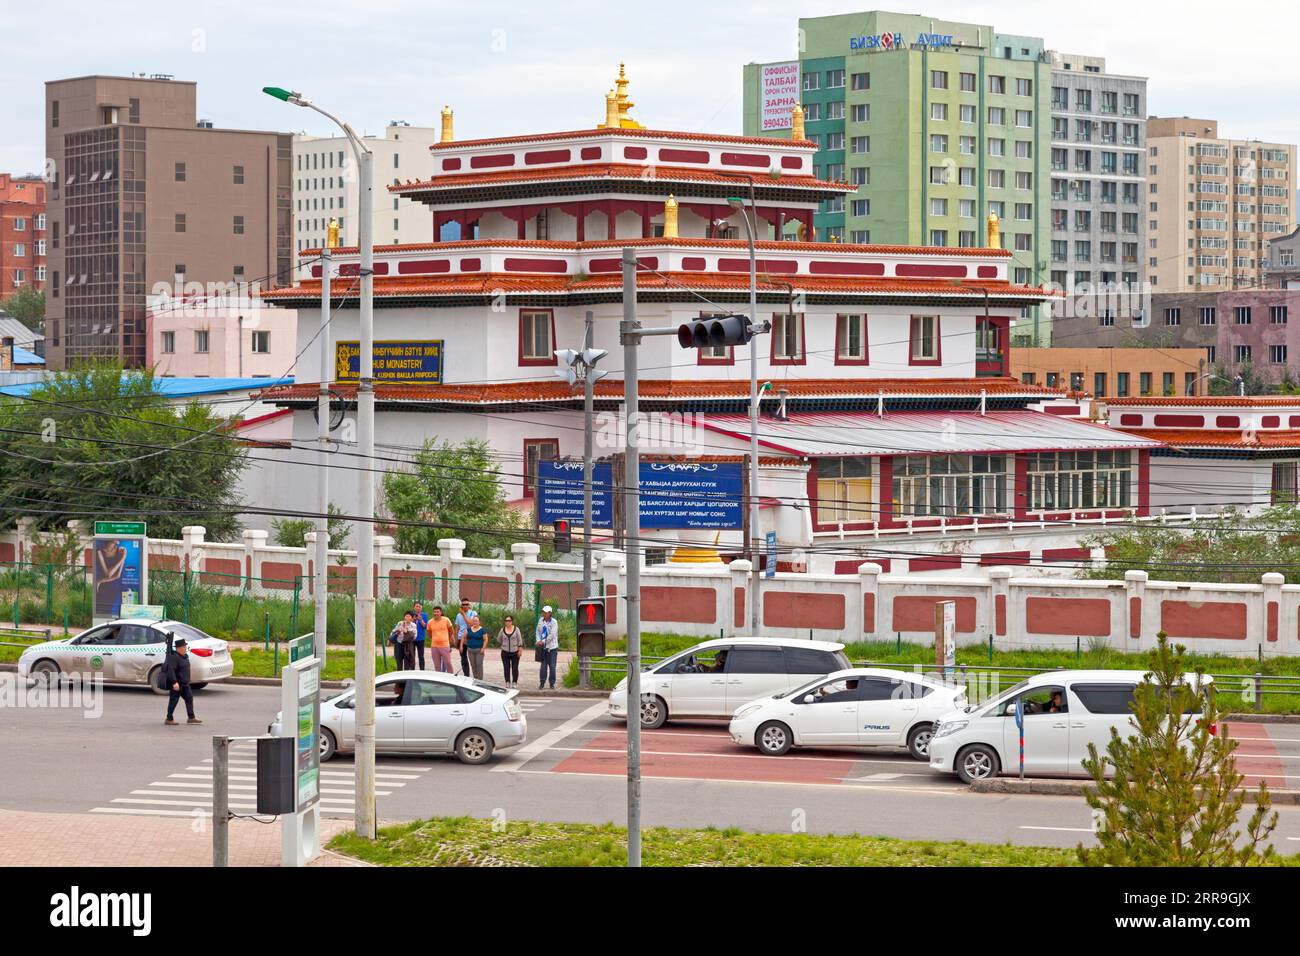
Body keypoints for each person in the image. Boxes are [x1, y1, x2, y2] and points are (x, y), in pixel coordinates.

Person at [163, 636, 201, 726]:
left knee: (189, 699)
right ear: (179, 648)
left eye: (185, 646)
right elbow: (171, 670)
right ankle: (169, 718)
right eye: (184, 647)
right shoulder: (174, 657)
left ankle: (191, 717)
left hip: (185, 684)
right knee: (173, 701)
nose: (185, 648)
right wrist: (174, 682)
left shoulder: (184, 657)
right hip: (177, 684)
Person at [535, 604, 560, 691]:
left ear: (550, 613)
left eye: (546, 613)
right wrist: (538, 640)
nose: (544, 614)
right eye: (543, 612)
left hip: (552, 648)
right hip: (542, 648)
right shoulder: (540, 621)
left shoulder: (554, 622)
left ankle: (552, 683)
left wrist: (544, 641)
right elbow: (537, 631)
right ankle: (542, 683)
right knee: (543, 666)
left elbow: (552, 635)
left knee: (552, 666)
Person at [425, 605, 455, 673]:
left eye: (437, 612)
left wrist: (447, 638)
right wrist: (435, 638)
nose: (436, 613)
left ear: (441, 612)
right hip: (434, 646)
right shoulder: (430, 622)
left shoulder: (446, 620)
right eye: (434, 612)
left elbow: (451, 630)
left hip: (444, 646)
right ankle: (439, 680)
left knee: (448, 663)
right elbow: (429, 632)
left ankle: (451, 678)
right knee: (437, 665)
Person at [497, 614, 523, 689]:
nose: (508, 622)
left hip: (515, 651)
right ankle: (507, 682)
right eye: (506, 621)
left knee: (515, 668)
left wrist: (520, 649)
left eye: (509, 621)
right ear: (505, 622)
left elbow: (519, 640)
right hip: (505, 652)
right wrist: (503, 644)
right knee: (506, 667)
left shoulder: (516, 629)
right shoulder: (502, 630)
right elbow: (499, 639)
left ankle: (514, 682)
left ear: (512, 621)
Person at [462, 612, 489, 680]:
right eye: (474, 621)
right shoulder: (469, 629)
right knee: (473, 665)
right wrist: (466, 644)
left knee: (479, 665)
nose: (475, 622)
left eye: (476, 621)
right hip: (470, 650)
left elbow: (485, 640)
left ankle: (480, 680)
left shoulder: (482, 630)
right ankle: (475, 678)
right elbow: (464, 637)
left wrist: (483, 648)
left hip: (479, 650)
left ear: (479, 622)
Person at [454, 599, 474, 675]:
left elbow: (471, 624)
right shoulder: (458, 615)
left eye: (466, 604)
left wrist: (463, 614)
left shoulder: (472, 613)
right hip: (460, 638)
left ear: (469, 605)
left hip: (470, 637)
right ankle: (466, 674)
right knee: (463, 658)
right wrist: (456, 640)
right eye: (463, 604)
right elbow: (457, 627)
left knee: (472, 657)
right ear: (461, 606)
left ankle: (475, 673)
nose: (465, 606)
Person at [410, 601, 429, 670]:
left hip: (420, 638)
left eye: (419, 607)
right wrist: (413, 620)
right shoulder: (411, 614)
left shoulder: (424, 615)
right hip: (412, 638)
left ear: (421, 608)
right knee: (412, 655)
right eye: (416, 606)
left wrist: (421, 620)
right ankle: (412, 670)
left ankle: (422, 670)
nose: (418, 608)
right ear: (414, 607)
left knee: (421, 655)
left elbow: (425, 626)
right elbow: (408, 625)